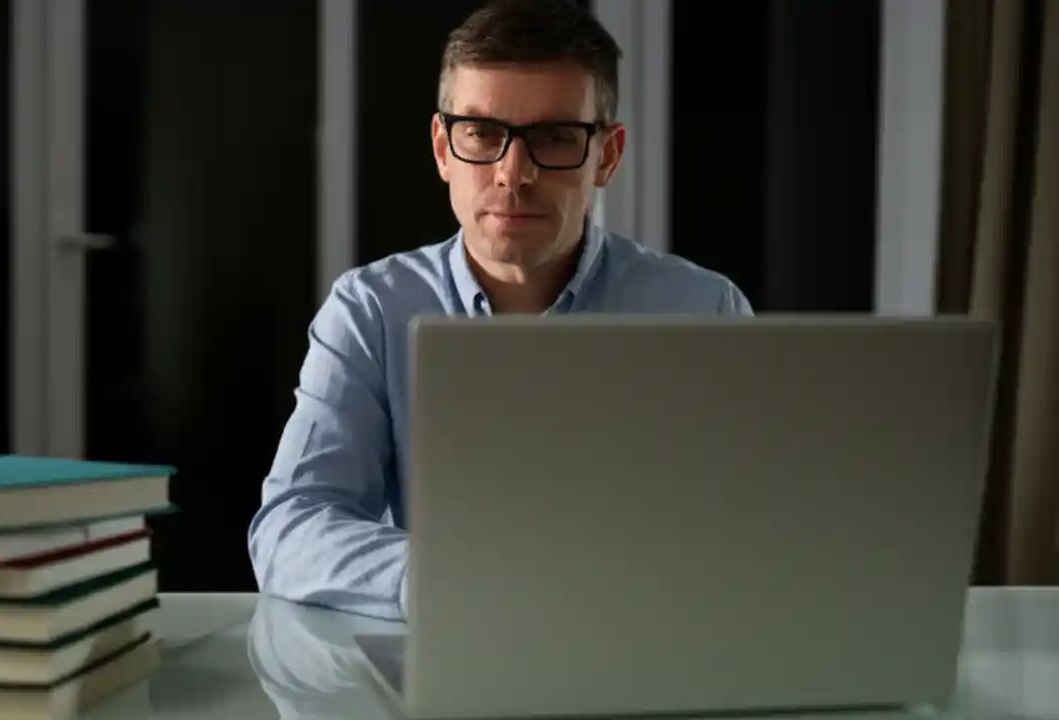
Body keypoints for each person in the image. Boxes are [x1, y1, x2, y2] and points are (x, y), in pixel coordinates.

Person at [248, 0, 752, 621]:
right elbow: (292, 528)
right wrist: (460, 582)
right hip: (445, 644)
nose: (514, 174)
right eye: (483, 134)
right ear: (442, 147)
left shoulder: (702, 310)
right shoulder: (371, 309)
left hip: (646, 640)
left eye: (556, 138)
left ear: (608, 156)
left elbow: (751, 529)